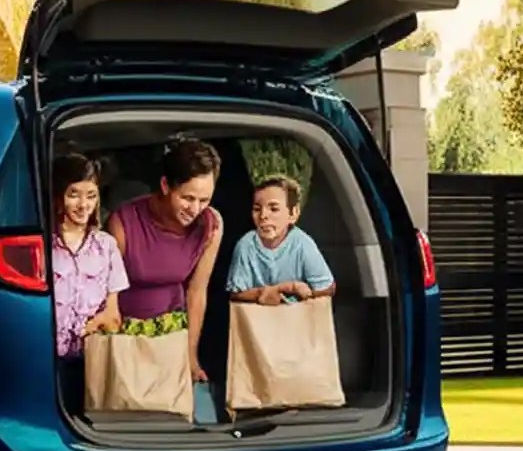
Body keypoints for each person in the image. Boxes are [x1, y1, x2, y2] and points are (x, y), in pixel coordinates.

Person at [108, 137, 224, 383]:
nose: (195, 209)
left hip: (173, 336)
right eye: (187, 198)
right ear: (165, 185)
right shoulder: (123, 223)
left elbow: (197, 291)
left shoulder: (210, 225)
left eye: (204, 200)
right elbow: (108, 297)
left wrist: (190, 357)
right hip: (127, 339)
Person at [51, 153, 129, 409]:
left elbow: (113, 314)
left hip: (90, 362)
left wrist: (94, 325)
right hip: (46, 360)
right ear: (58, 196)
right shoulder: (41, 246)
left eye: (91, 195)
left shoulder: (106, 246)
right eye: (74, 194)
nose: (83, 204)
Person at [227, 174, 336, 305]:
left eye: (274, 209)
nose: (263, 216)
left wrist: (302, 293)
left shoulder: (302, 244)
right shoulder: (246, 245)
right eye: (257, 209)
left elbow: (327, 287)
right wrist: (267, 292)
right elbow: (235, 293)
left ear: (293, 214)